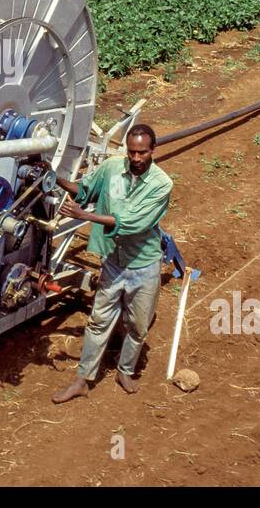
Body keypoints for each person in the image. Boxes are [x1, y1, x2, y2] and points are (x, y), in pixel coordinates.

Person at [52, 124, 173, 403]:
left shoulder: (161, 184)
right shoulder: (111, 168)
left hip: (144, 265)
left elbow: (131, 223)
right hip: (114, 262)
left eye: (142, 152)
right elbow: (84, 191)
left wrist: (85, 216)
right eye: (131, 152)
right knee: (98, 321)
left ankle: (125, 370)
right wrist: (51, 174)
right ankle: (83, 379)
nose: (136, 158)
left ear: (153, 150)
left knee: (137, 325)